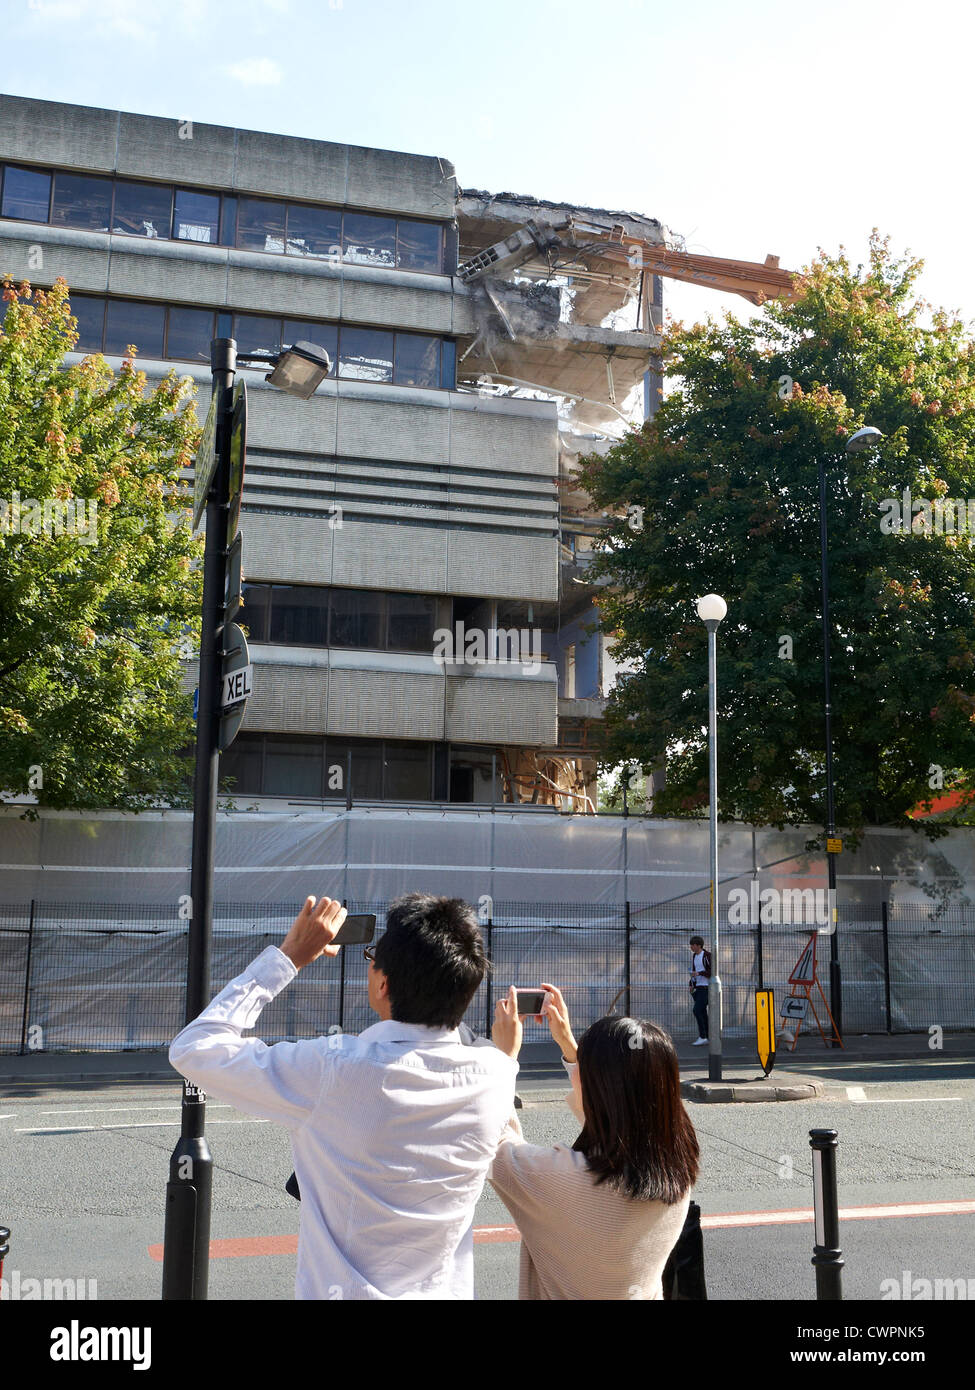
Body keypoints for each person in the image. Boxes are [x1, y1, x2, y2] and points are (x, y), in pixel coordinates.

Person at [168, 891, 517, 1300]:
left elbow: (194, 1049)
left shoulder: (334, 1069)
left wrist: (289, 957)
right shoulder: (496, 1075)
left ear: (383, 983)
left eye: (372, 959)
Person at [488, 983, 699, 1300]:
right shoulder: (677, 1172)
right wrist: (572, 1049)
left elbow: (495, 1141)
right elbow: (621, 1123)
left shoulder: (559, 1179)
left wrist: (505, 1059)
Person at [689, 935, 712, 1044]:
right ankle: (706, 1037)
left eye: (692, 945)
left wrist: (699, 973)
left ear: (698, 945)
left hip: (706, 988)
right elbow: (694, 971)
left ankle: (703, 1036)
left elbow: (712, 972)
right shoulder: (694, 956)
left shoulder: (707, 956)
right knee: (702, 1012)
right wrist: (691, 983)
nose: (691, 947)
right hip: (697, 988)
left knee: (697, 1010)